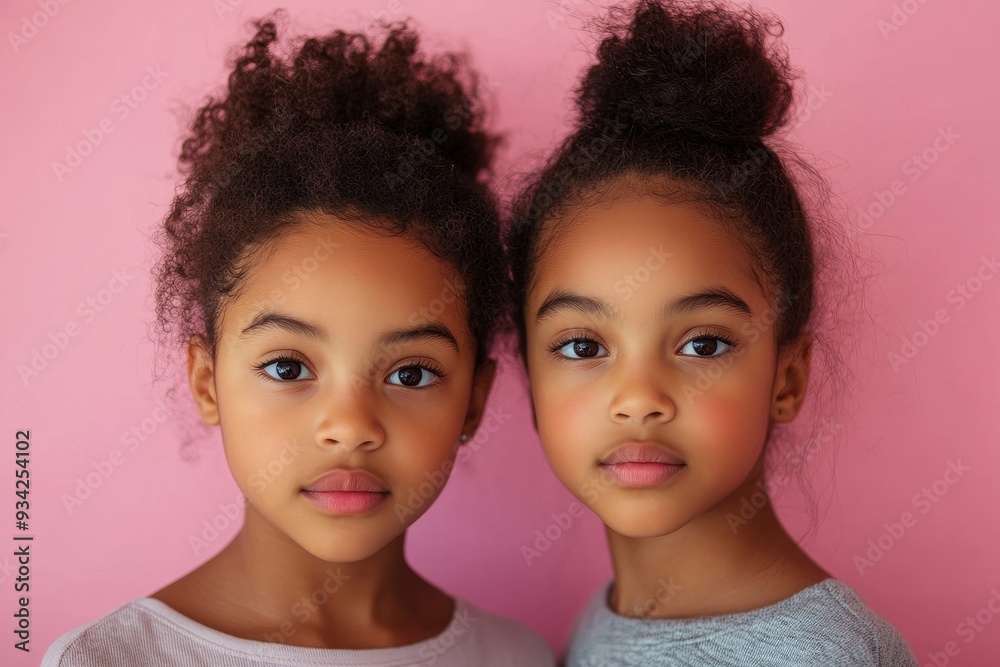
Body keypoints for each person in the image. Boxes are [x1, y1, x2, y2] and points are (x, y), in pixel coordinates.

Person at [43, 13, 554, 667]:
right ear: (207, 381)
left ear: (474, 403)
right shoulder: (108, 659)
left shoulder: (519, 656)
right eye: (287, 366)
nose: (349, 426)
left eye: (411, 373)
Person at [506, 0, 917, 664]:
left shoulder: (812, 654)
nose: (639, 397)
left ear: (787, 379)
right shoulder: (599, 623)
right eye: (583, 346)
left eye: (703, 343)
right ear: (530, 379)